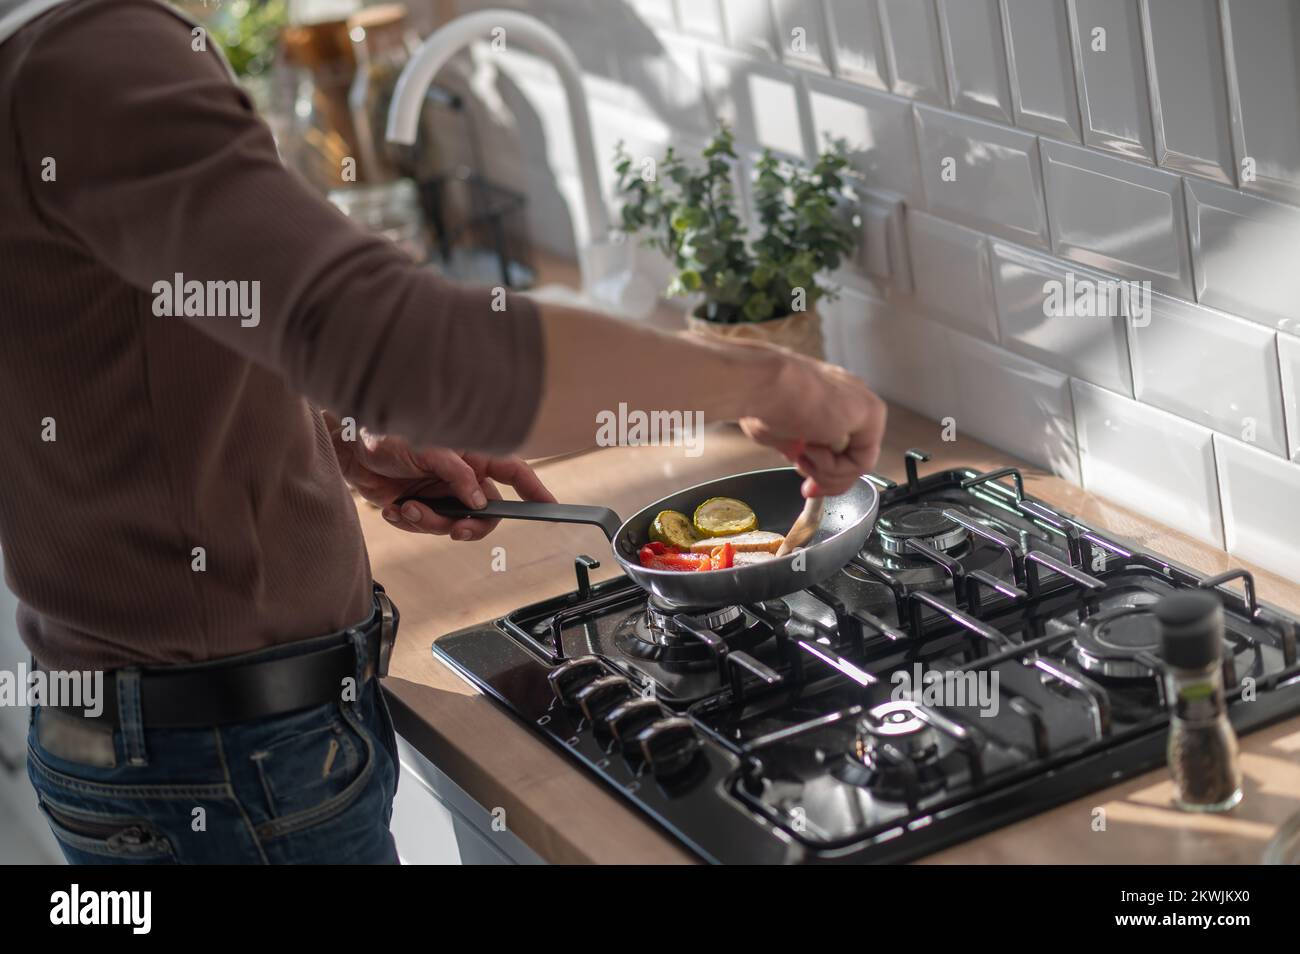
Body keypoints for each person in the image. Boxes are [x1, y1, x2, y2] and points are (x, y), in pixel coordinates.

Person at [0, 0, 887, 864]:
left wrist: (340, 439)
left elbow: (118, 360)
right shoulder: (93, 51)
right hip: (226, 769)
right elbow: (411, 344)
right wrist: (764, 378)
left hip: (187, 750)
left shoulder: (51, 49)